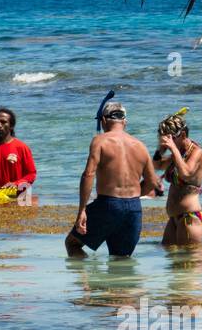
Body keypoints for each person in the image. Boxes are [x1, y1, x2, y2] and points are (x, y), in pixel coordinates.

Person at [65, 101, 162, 257]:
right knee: (121, 259)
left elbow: (88, 175)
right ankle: (114, 282)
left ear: (103, 121)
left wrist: (82, 210)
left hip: (108, 204)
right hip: (134, 208)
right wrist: (133, 197)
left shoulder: (100, 141)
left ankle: (89, 281)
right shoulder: (140, 145)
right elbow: (152, 182)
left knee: (72, 244)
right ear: (125, 122)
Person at [154, 112, 202, 246]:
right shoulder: (178, 154)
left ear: (183, 135)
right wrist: (160, 149)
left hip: (189, 218)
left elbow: (186, 173)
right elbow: (156, 165)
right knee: (170, 259)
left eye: (171, 138)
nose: (169, 142)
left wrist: (172, 148)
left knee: (189, 262)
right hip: (174, 219)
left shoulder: (197, 152)